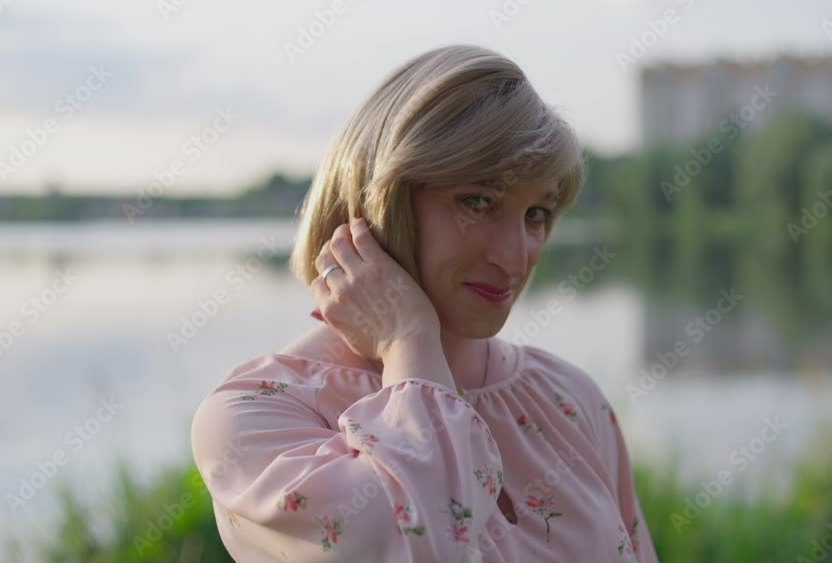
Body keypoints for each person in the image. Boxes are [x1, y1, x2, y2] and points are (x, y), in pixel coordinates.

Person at [190, 44, 659, 563]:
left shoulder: (569, 396)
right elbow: (421, 545)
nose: (515, 257)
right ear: (380, 202)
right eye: (477, 202)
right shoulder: (254, 417)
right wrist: (408, 341)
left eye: (537, 213)